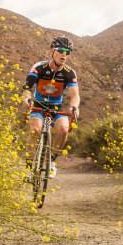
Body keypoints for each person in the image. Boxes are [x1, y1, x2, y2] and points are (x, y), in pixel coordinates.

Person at [23, 36, 80, 178]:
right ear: (52, 51)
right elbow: (27, 88)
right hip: (38, 106)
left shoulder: (69, 73)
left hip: (56, 108)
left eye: (68, 52)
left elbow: (75, 95)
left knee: (64, 129)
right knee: (35, 130)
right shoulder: (39, 67)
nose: (64, 54)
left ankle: (52, 161)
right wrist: (27, 98)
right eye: (61, 50)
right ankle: (30, 165)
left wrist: (74, 107)